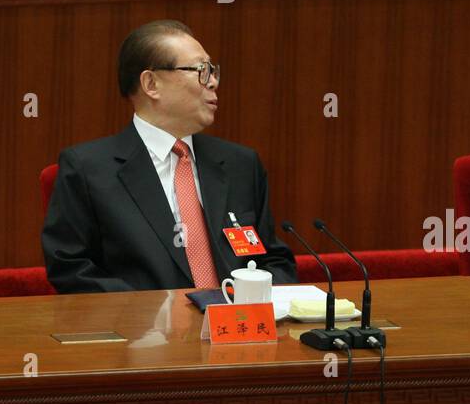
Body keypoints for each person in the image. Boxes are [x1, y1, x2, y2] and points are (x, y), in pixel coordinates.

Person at [42, 20, 298, 293]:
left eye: (213, 72)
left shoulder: (241, 165)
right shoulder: (88, 170)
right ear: (151, 83)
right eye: (201, 70)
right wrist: (156, 315)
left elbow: (273, 260)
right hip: (145, 331)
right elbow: (71, 269)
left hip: (239, 326)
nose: (212, 82)